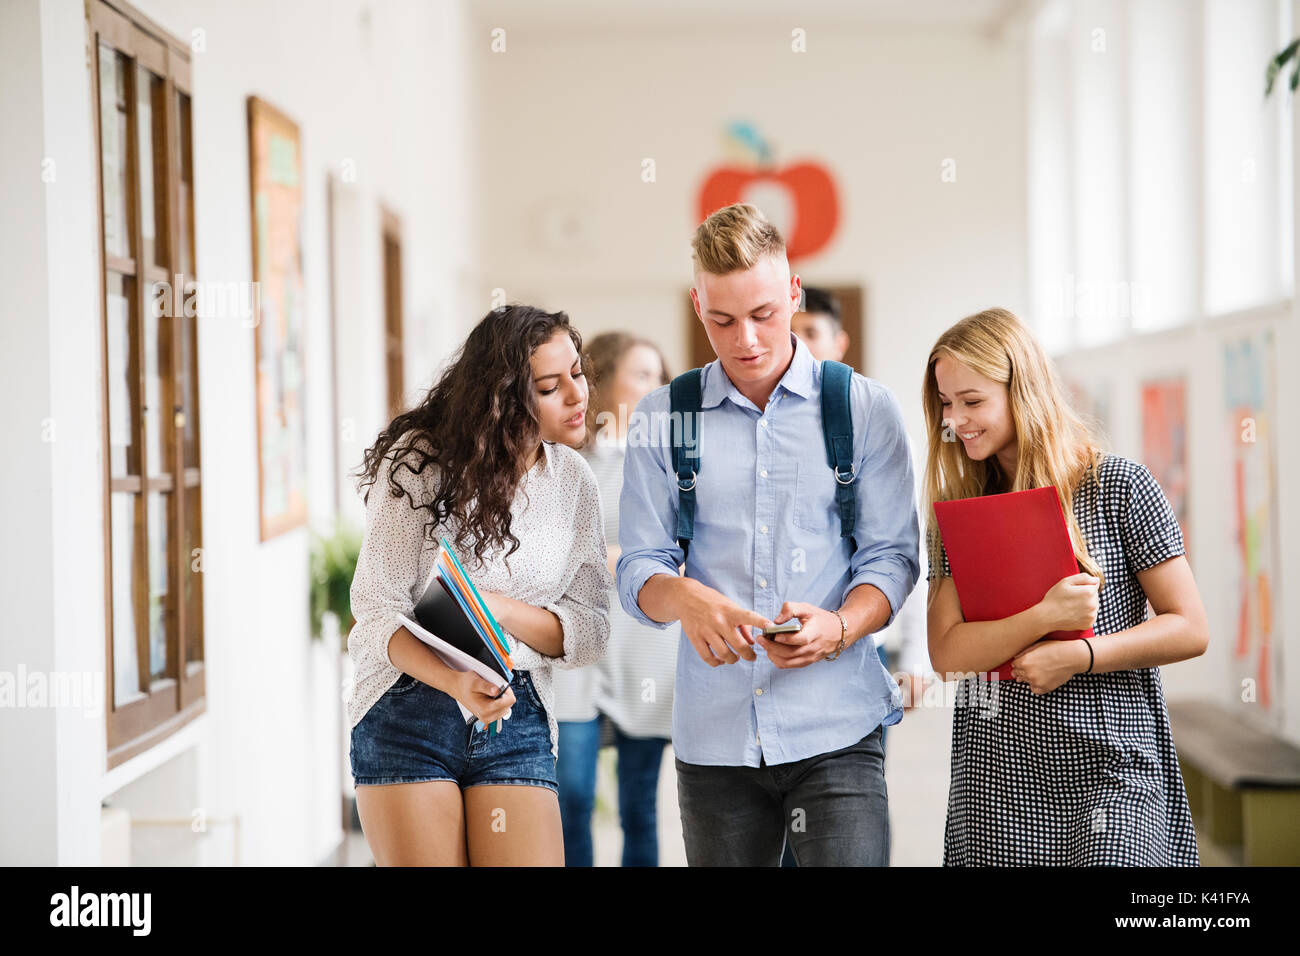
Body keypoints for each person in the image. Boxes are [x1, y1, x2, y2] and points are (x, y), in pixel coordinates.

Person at [617, 203, 920, 867]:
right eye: (722, 320)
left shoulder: (864, 409)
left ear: (793, 293)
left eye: (764, 314)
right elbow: (639, 563)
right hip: (715, 739)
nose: (746, 339)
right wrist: (685, 599)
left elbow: (893, 557)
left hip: (837, 726)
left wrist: (838, 627)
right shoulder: (664, 417)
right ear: (699, 304)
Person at [923, 307, 1208, 866]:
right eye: (946, 404)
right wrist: (1041, 618)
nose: (955, 419)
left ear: (1023, 389)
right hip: (997, 778)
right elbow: (948, 655)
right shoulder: (958, 515)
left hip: (1111, 766)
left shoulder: (1118, 486)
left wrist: (1080, 655)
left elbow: (1190, 627)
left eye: (972, 401)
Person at [346, 305, 611, 866]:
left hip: (514, 711)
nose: (576, 394)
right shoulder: (420, 463)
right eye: (549, 385)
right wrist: (452, 682)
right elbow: (375, 609)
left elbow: (588, 633)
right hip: (407, 705)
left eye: (577, 373)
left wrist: (493, 606)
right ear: (506, 397)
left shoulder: (574, 482)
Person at [552, 332, 676, 867]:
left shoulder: (671, 461)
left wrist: (616, 559)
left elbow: (685, 553)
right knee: (571, 798)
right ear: (603, 381)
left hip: (645, 652)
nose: (658, 388)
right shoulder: (560, 460)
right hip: (575, 652)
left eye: (660, 375)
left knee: (638, 807)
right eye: (643, 375)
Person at [792, 284, 931, 735]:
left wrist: (916, 657)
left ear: (840, 341)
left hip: (865, 645)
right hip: (774, 649)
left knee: (859, 796)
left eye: (811, 331)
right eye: (790, 332)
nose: (799, 345)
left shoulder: (874, 420)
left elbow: (903, 549)